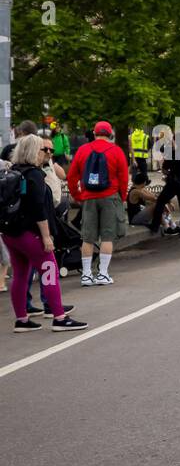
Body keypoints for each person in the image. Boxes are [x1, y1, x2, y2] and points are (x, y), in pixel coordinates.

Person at [0, 135, 87, 331]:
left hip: (11, 233)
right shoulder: (35, 175)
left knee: (21, 275)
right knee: (50, 272)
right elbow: (39, 209)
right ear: (33, 151)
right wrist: (47, 237)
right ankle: (59, 317)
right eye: (44, 150)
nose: (48, 153)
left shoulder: (13, 171)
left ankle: (22, 319)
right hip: (32, 235)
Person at [67, 121, 130, 286]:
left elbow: (72, 176)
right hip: (110, 196)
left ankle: (86, 275)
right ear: (110, 135)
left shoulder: (82, 150)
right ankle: (103, 273)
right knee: (107, 237)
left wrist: (77, 195)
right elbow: (124, 178)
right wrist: (121, 197)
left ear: (94, 134)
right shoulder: (116, 151)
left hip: (88, 197)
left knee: (87, 238)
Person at [149, 124, 180, 240]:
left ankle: (155, 226)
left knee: (161, 201)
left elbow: (164, 169)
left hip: (174, 182)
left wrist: (168, 174)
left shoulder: (172, 153)